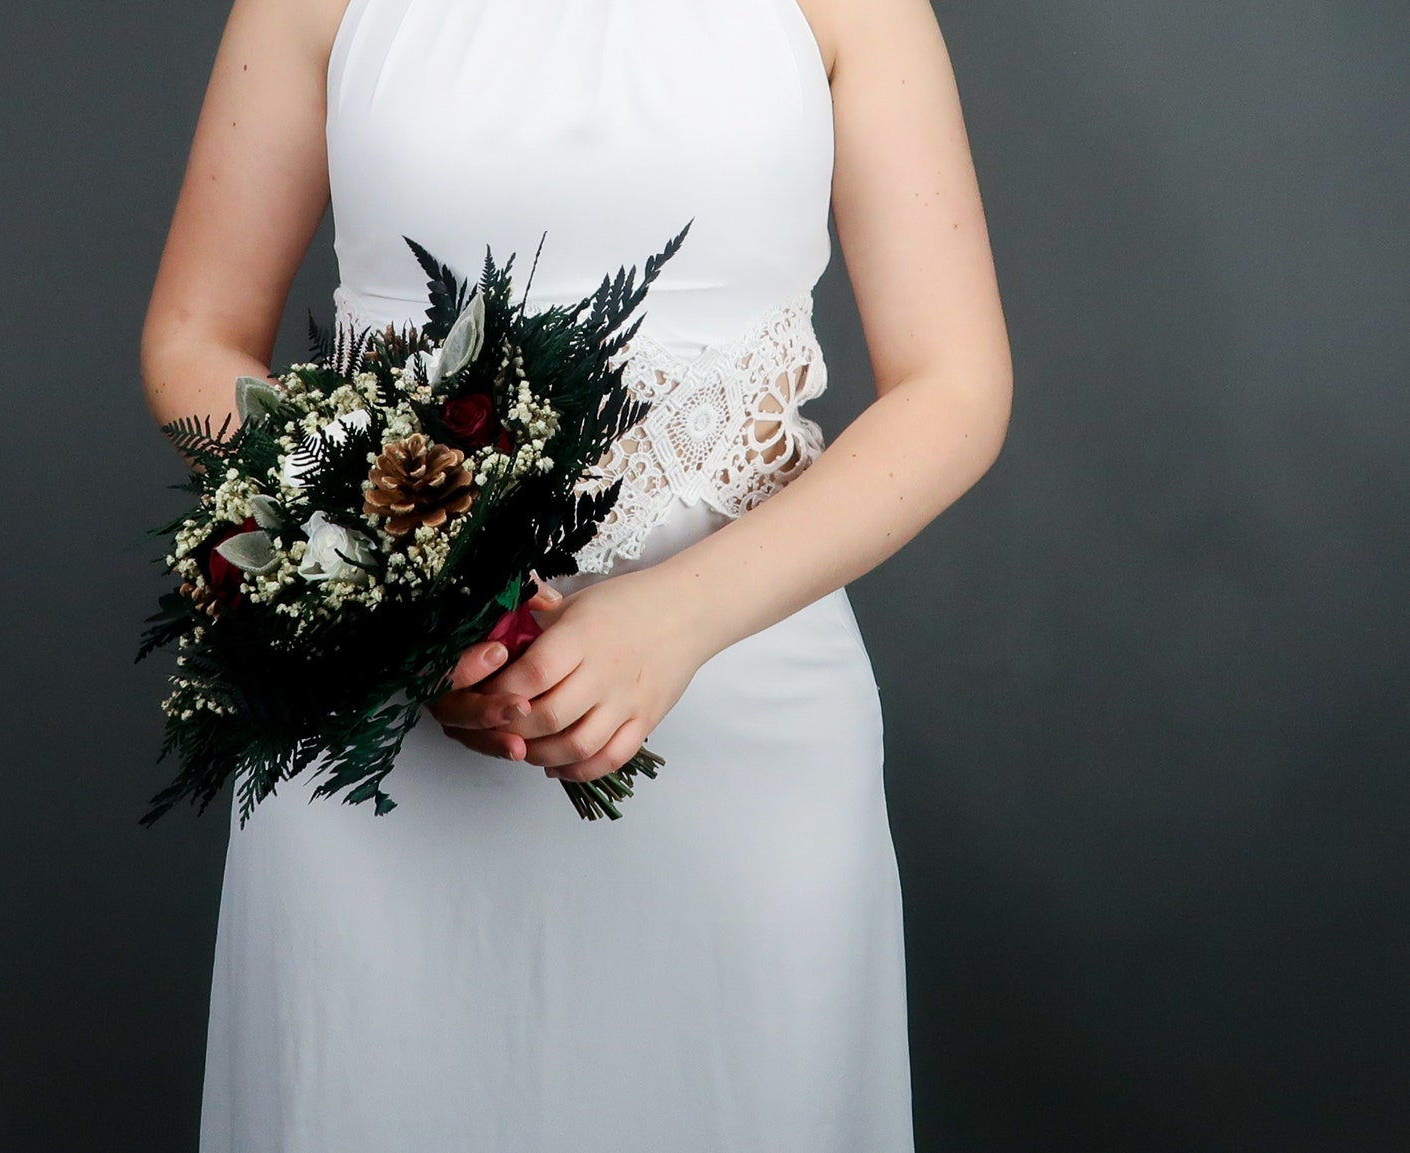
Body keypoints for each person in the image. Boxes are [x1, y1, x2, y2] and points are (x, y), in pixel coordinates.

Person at [140, 0, 1011, 1148]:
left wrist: (683, 613)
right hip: (380, 729)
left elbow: (953, 385)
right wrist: (403, 597)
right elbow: (194, 332)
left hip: (742, 720)